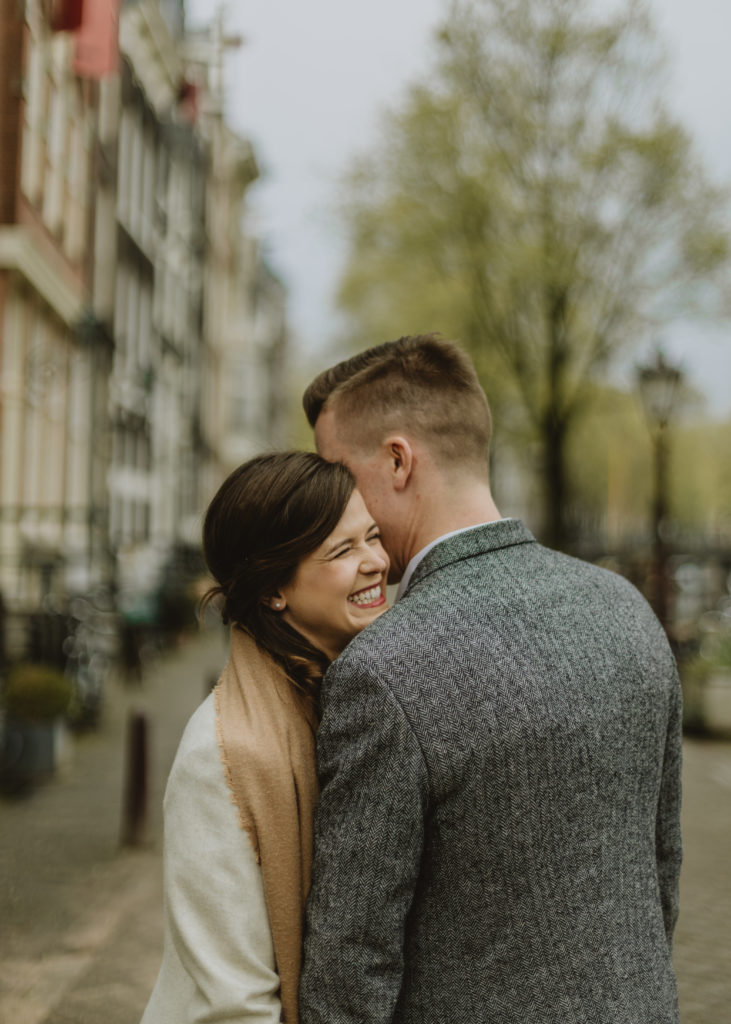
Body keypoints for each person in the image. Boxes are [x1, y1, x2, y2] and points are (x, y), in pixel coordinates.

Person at [298, 334, 683, 1024]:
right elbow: (661, 869)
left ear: (395, 460)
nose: (328, 505)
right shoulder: (627, 610)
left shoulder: (382, 671)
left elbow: (351, 959)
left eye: (335, 475)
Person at [140, 451, 389, 1024]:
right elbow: (234, 1006)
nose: (376, 561)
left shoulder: (342, 704)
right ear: (274, 590)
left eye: (372, 537)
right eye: (343, 550)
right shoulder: (222, 757)